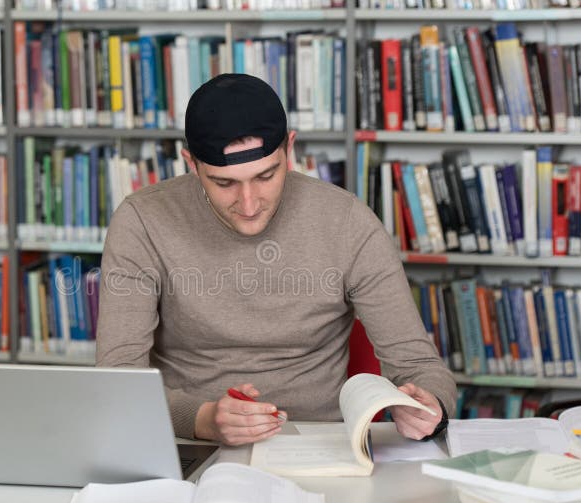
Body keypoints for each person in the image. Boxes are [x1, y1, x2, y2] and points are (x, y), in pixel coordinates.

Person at [96, 73, 456, 446]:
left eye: (266, 175)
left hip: (319, 443)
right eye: (224, 183)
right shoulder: (142, 220)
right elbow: (118, 378)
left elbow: (421, 366)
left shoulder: (346, 220)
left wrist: (428, 404)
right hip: (185, 442)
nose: (249, 204)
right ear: (191, 163)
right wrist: (202, 420)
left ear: (290, 148)